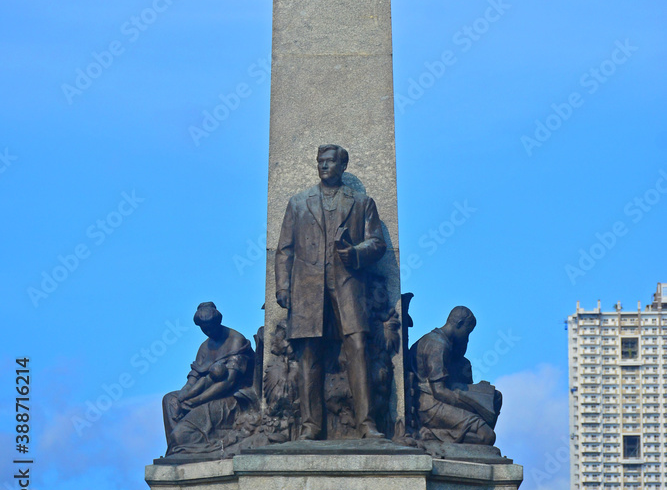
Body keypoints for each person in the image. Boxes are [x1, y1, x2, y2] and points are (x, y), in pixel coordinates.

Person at [275, 144, 386, 439]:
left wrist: (356, 253)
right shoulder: (299, 203)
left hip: (347, 284)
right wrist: (283, 286)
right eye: (320, 162)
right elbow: (284, 249)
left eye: (330, 162)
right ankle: (311, 425)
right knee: (309, 354)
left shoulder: (362, 202)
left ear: (343, 166)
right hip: (307, 288)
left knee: (358, 347)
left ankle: (366, 422)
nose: (324, 166)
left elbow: (377, 243)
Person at [162, 302, 256, 456]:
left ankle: (188, 444)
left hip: (232, 398)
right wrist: (183, 396)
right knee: (170, 400)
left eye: (210, 326)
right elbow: (193, 379)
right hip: (205, 393)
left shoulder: (235, 341)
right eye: (203, 328)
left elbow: (229, 382)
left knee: (184, 428)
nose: (208, 331)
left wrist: (196, 400)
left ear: (218, 322)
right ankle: (178, 449)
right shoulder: (204, 347)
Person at [412, 306, 502, 445]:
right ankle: (428, 435)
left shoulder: (444, 343)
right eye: (467, 331)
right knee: (487, 436)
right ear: (459, 324)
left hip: (437, 399)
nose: (467, 337)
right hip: (428, 405)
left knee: (495, 397)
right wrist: (476, 405)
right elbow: (439, 391)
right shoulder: (437, 344)